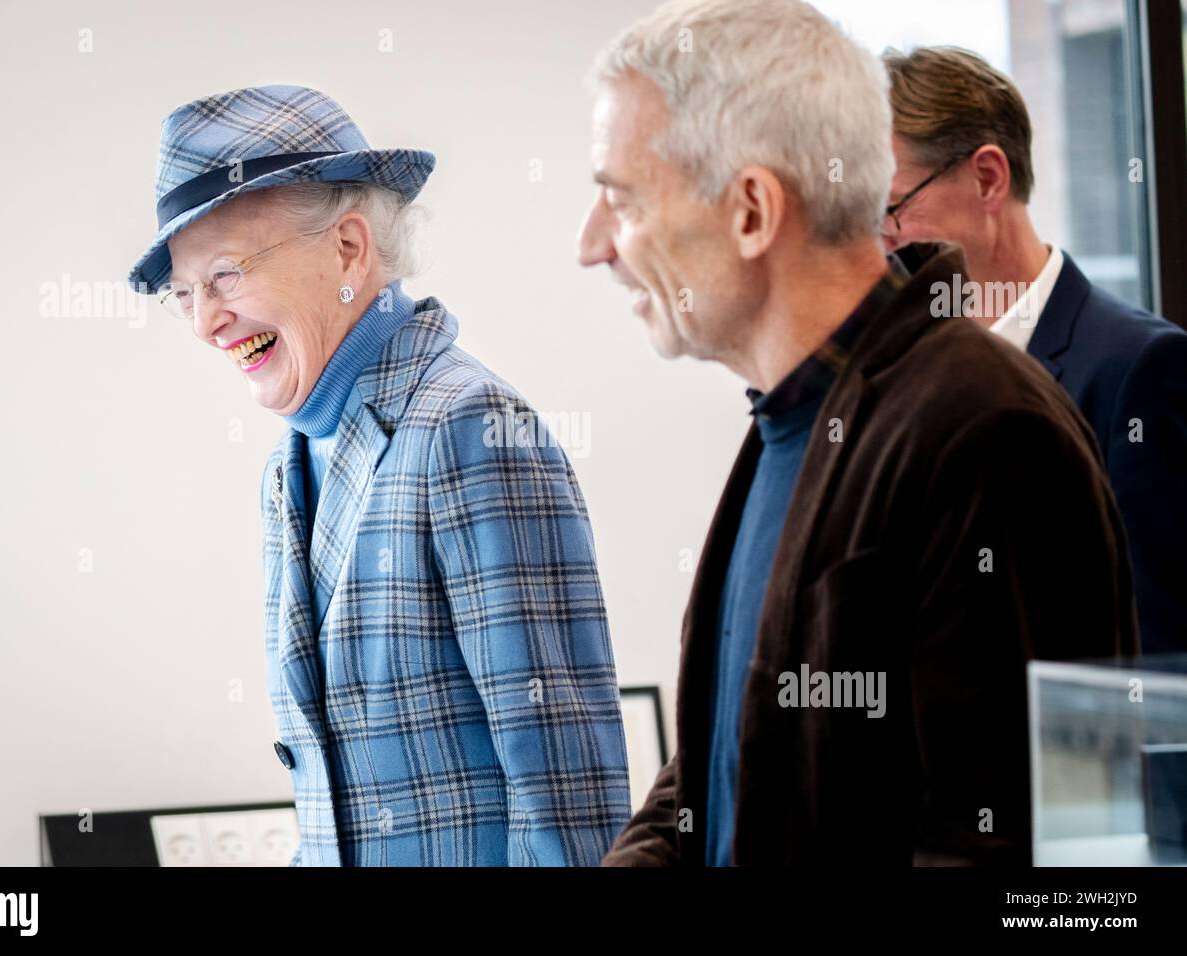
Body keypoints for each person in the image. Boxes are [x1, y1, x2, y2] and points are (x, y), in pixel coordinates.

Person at [577, 0, 1135, 865]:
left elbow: (1007, 852)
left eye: (620, 201)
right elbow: (721, 766)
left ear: (752, 211)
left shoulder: (985, 431)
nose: (593, 246)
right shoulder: (785, 422)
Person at [127, 84, 631, 865]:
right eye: (185, 294)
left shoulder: (469, 427)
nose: (204, 323)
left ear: (348, 250)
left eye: (225, 276)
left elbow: (565, 800)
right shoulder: (289, 466)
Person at [882, 45, 1187, 654]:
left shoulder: (1140, 369)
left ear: (988, 178)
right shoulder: (897, 381)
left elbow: (1160, 666)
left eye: (889, 208)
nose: (878, 240)